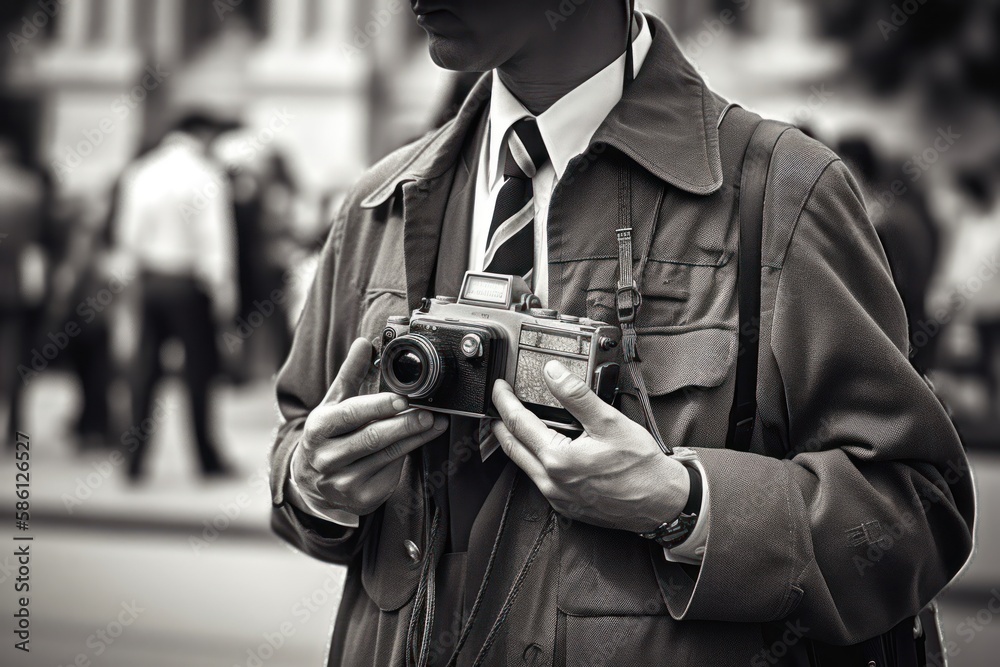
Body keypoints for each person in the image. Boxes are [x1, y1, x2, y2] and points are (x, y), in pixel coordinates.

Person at [269, 3, 975, 665]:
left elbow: (917, 511)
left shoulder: (782, 191)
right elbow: (298, 441)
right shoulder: (380, 202)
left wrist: (684, 501)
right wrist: (312, 485)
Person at [115, 113, 237, 481]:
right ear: (200, 134)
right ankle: (205, 458)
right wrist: (224, 293)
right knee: (199, 373)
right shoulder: (205, 174)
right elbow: (214, 240)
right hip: (189, 284)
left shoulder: (141, 172)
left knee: (145, 370)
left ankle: (134, 460)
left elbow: (128, 235)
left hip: (151, 281)